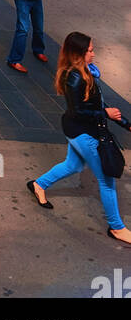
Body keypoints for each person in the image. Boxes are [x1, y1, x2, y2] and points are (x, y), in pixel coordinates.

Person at [28, 32, 131, 242]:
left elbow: (94, 104)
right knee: (106, 180)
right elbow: (78, 111)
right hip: (83, 131)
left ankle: (39, 185)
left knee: (73, 166)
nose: (93, 54)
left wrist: (125, 123)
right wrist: (105, 114)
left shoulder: (85, 72)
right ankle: (116, 228)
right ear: (78, 53)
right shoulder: (75, 78)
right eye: (90, 50)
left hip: (77, 129)